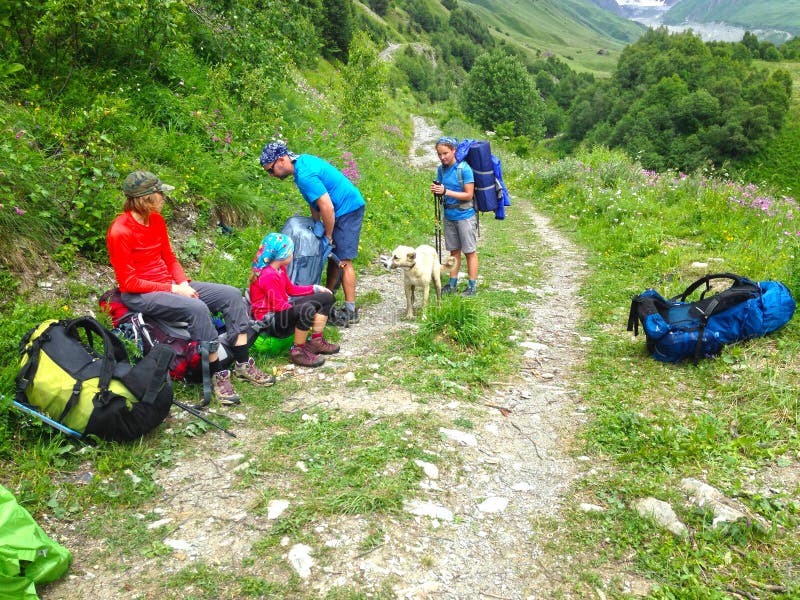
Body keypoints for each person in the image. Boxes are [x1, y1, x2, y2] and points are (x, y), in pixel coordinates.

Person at [107, 170, 275, 406]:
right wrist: (175, 289)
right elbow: (128, 283)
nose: (164, 198)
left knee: (231, 295)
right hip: (141, 295)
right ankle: (218, 374)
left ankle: (242, 363)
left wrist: (183, 283)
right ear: (146, 198)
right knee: (196, 308)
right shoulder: (119, 231)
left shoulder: (156, 220)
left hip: (170, 284)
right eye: (160, 194)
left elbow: (170, 257)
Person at [259, 141, 365, 324]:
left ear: (282, 160)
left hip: (348, 209)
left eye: (271, 170)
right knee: (334, 257)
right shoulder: (301, 165)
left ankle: (350, 311)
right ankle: (327, 301)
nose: (271, 175)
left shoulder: (305, 174)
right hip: (338, 210)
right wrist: (317, 223)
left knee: (344, 261)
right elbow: (314, 202)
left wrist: (328, 236)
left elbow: (328, 207)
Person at [249, 232, 340, 368]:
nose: (293, 255)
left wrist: (315, 289)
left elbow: (290, 290)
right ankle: (297, 352)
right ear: (283, 255)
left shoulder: (280, 269)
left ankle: (315, 341)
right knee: (307, 309)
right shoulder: (268, 275)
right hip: (270, 321)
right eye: (291, 252)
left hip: (280, 311)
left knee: (327, 297)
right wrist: (304, 312)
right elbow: (279, 306)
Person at [430, 137, 478, 296]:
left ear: (454, 151)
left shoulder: (464, 169)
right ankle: (452, 284)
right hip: (449, 215)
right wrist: (437, 191)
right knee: (453, 251)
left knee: (469, 252)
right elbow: (443, 190)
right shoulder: (441, 170)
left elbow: (469, 195)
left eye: (445, 153)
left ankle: (472, 287)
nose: (442, 157)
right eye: (439, 154)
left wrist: (445, 191)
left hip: (465, 215)